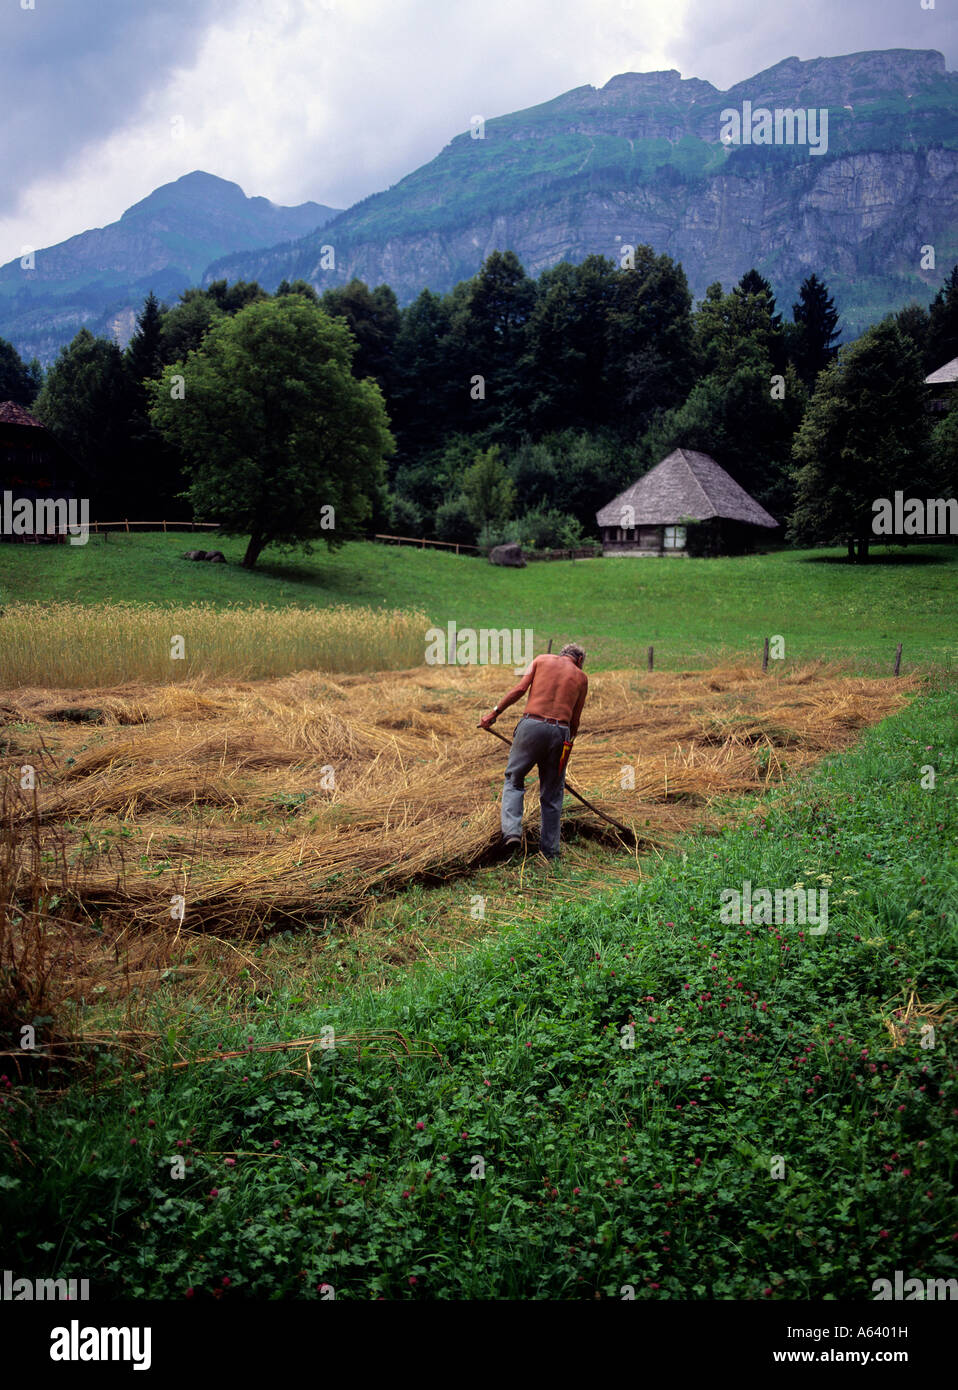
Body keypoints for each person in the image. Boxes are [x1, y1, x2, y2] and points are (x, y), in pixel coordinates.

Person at [478, 642, 588, 861]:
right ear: (579, 661)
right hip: (560, 732)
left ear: (562, 654)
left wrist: (494, 713)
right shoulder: (581, 678)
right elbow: (575, 720)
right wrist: (566, 750)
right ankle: (550, 852)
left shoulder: (541, 660)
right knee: (552, 794)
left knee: (514, 778)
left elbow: (519, 690)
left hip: (531, 726)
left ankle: (511, 832)